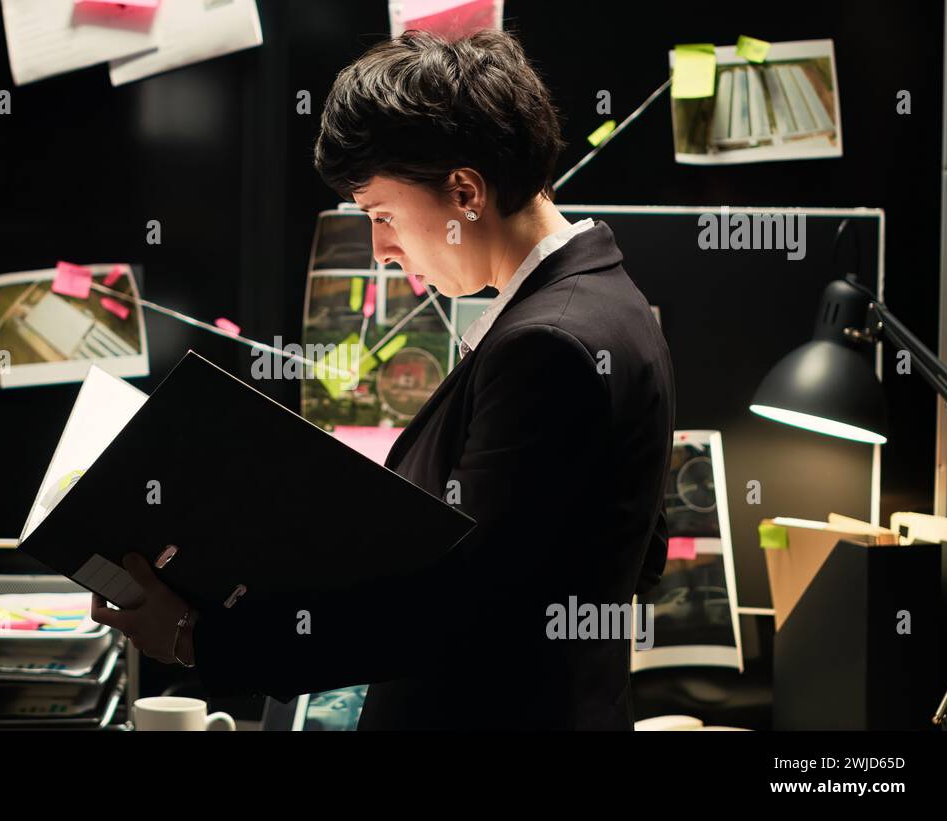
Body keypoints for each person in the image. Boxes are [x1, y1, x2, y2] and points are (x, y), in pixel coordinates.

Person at [92, 28, 676, 730]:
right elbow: (637, 550)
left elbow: (457, 612)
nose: (379, 250)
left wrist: (198, 638)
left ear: (465, 191)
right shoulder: (610, 303)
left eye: (382, 215)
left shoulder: (549, 346)